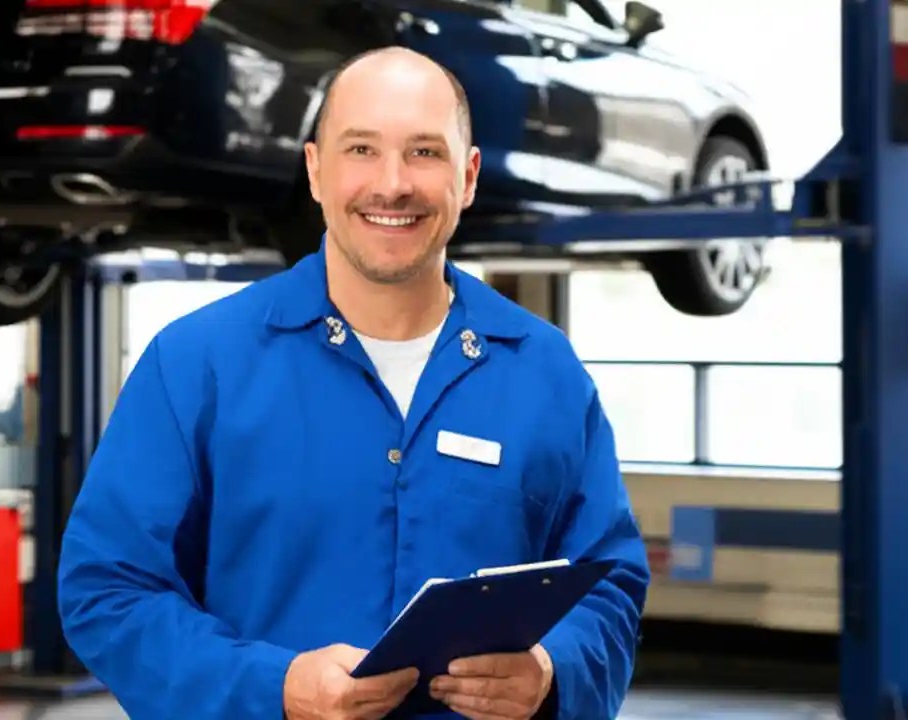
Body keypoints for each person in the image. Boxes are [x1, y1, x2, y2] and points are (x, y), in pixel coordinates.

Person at [56, 45, 650, 720]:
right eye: (361, 150)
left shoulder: (546, 373)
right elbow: (108, 590)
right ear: (315, 170)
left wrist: (552, 670)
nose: (392, 184)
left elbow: (610, 583)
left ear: (470, 175)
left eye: (425, 152)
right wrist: (272, 686)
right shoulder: (196, 365)